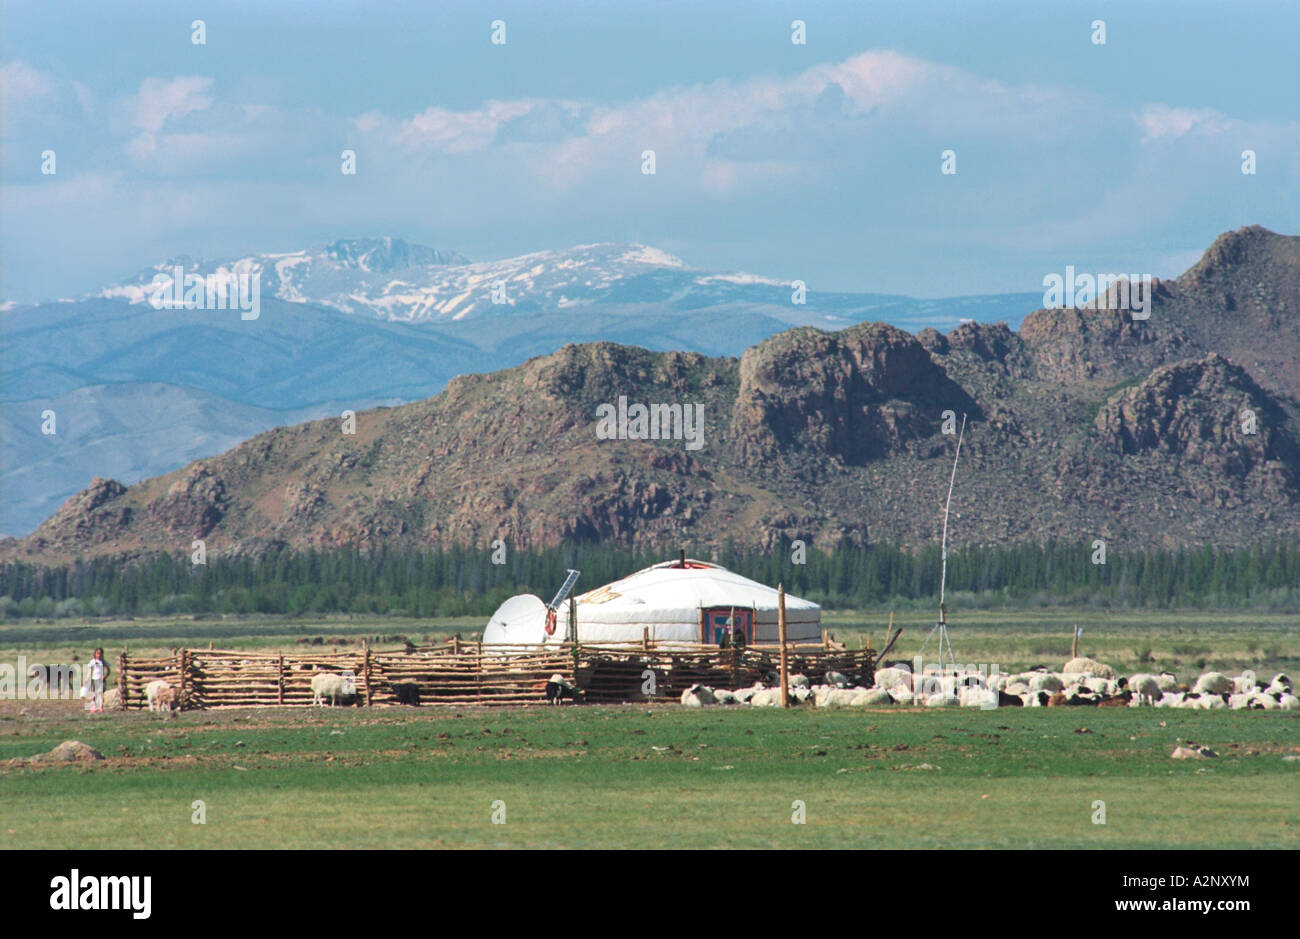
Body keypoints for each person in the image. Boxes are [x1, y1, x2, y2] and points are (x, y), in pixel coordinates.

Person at [86, 648, 108, 713]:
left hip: (101, 680)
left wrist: (105, 677)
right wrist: (87, 679)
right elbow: (90, 671)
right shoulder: (92, 662)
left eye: (100, 653)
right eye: (97, 653)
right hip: (94, 679)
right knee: (94, 694)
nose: (99, 655)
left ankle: (100, 707)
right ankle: (93, 707)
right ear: (95, 654)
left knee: (100, 694)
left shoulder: (103, 661)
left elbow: (108, 670)